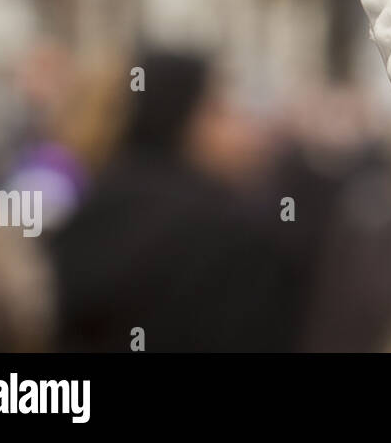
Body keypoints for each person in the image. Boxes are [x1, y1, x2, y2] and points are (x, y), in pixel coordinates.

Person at [50, 51, 300, 351]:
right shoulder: (233, 237)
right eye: (218, 110)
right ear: (179, 114)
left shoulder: (87, 213)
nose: (244, 127)